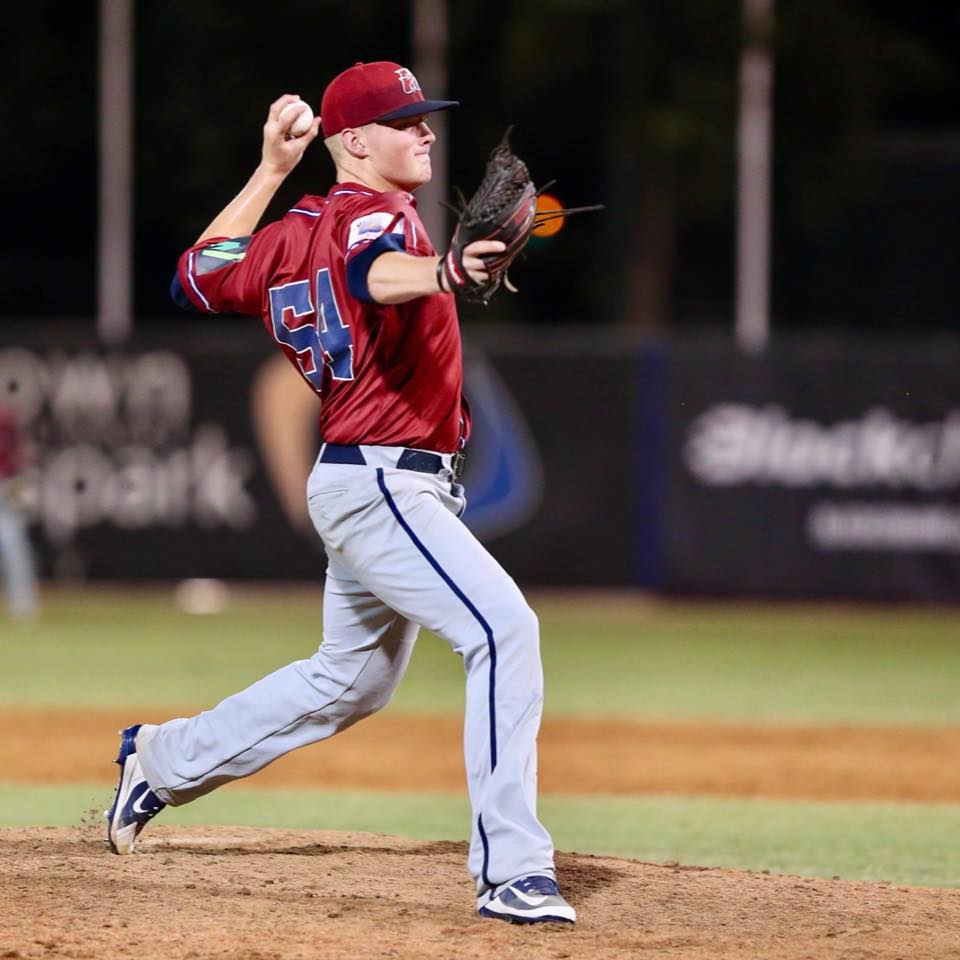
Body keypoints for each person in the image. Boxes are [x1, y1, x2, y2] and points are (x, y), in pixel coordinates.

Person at [107, 61, 575, 925]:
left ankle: (161, 762)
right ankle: (512, 867)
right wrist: (439, 276)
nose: (426, 131)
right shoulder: (374, 217)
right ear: (355, 141)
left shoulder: (291, 232)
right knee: (505, 631)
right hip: (384, 479)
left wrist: (269, 173)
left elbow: (196, 274)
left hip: (369, 479)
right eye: (406, 121)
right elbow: (375, 277)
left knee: (351, 681)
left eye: (426, 118)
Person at [0, 405, 39, 622]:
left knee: (14, 547)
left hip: (6, 487)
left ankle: (23, 605)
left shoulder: (6, 420)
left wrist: (21, 485)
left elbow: (21, 454)